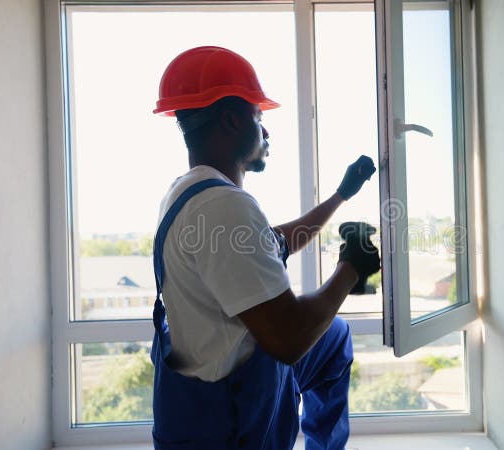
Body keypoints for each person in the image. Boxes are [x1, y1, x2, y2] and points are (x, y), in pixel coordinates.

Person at [150, 46, 380, 450]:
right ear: (231, 120)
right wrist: (351, 268)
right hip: (229, 422)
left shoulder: (189, 192)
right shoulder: (224, 206)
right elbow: (289, 340)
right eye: (260, 118)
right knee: (314, 333)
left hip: (213, 378)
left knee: (332, 337)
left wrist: (341, 196)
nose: (267, 131)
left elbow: (272, 244)